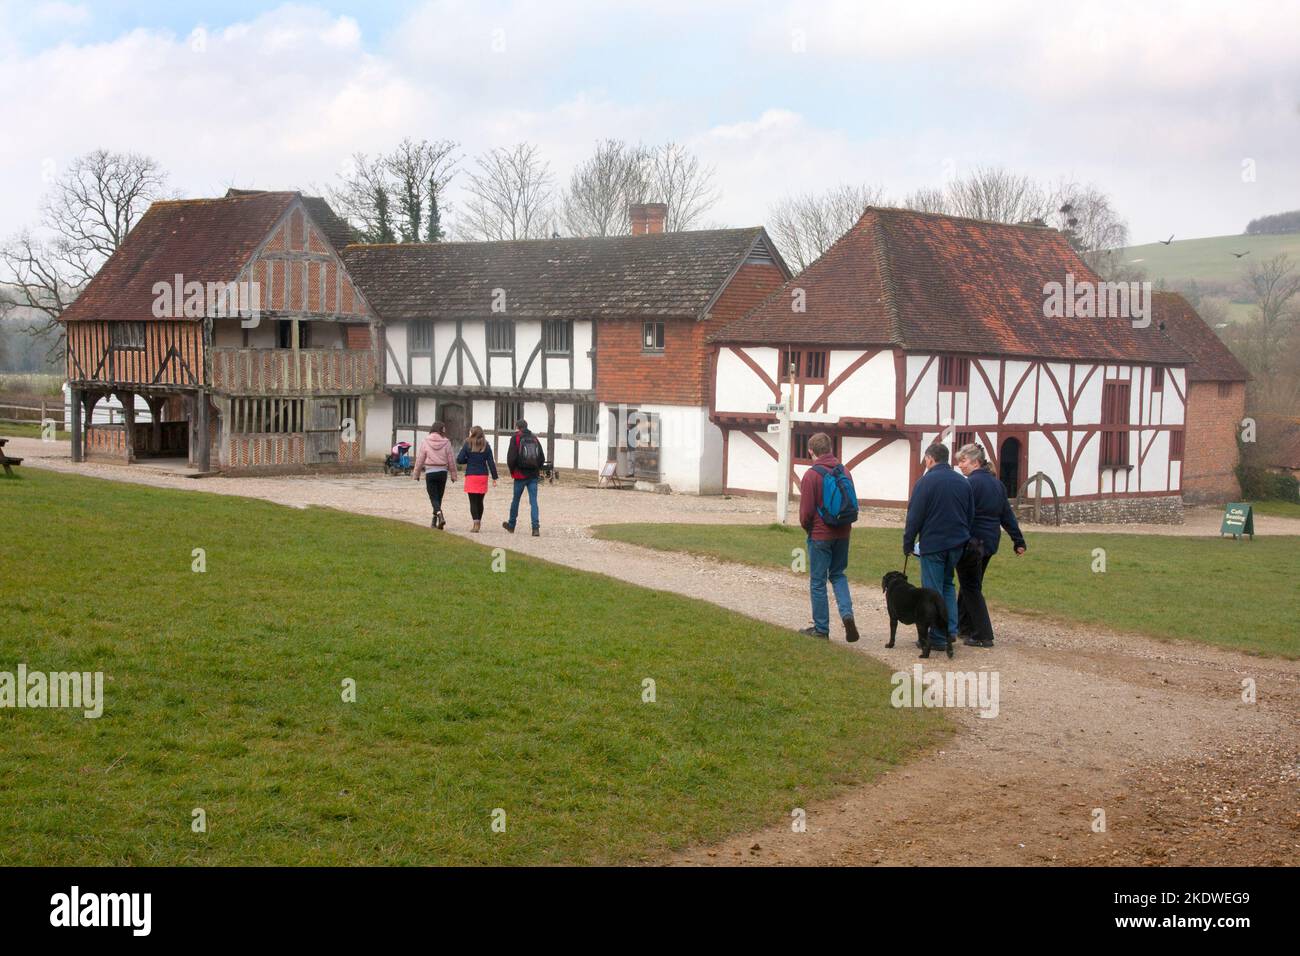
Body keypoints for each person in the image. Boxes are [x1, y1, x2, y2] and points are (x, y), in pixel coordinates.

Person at [902, 441, 974, 654]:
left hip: (933, 544)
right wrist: (963, 536)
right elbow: (970, 513)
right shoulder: (963, 482)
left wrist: (908, 542)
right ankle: (950, 629)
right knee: (948, 585)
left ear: (930, 459)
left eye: (926, 459)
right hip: (957, 543)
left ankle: (937, 636)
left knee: (931, 591)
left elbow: (914, 516)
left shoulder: (925, 482)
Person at [954, 443, 1026, 647]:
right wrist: (1018, 540)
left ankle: (983, 634)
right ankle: (964, 626)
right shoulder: (998, 485)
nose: (960, 465)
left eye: (963, 461)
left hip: (972, 543)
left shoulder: (970, 484)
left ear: (976, 461)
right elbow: (1006, 515)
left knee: (971, 587)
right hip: (990, 542)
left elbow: (962, 515)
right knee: (970, 584)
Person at [797, 433, 859, 642]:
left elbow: (806, 512)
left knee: (818, 581)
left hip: (821, 534)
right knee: (838, 574)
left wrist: (809, 530)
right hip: (843, 532)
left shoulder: (811, 475)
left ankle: (821, 628)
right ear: (831, 449)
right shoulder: (845, 471)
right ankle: (847, 615)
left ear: (811, 451)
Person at [502, 418, 545, 537]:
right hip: (533, 475)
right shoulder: (535, 438)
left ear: (517, 427)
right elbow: (541, 457)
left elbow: (511, 458)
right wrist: (537, 468)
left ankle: (511, 525)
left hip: (519, 474)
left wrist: (512, 470)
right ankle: (535, 528)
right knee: (533, 502)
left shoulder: (515, 438)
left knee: (516, 500)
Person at [413, 422, 457, 529]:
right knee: (439, 497)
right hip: (442, 473)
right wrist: (453, 474)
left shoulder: (425, 441)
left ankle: (439, 516)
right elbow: (451, 459)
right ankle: (435, 521)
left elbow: (420, 459)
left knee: (433, 497)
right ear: (441, 430)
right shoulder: (446, 442)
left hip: (430, 472)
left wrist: (416, 474)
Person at [456, 425, 498, 533]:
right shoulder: (486, 445)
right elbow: (491, 462)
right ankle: (479, 521)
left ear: (472, 433)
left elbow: (459, 459)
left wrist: (468, 460)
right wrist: (494, 477)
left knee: (472, 501)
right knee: (480, 501)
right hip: (482, 475)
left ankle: (475, 523)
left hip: (471, 475)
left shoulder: (467, 444)